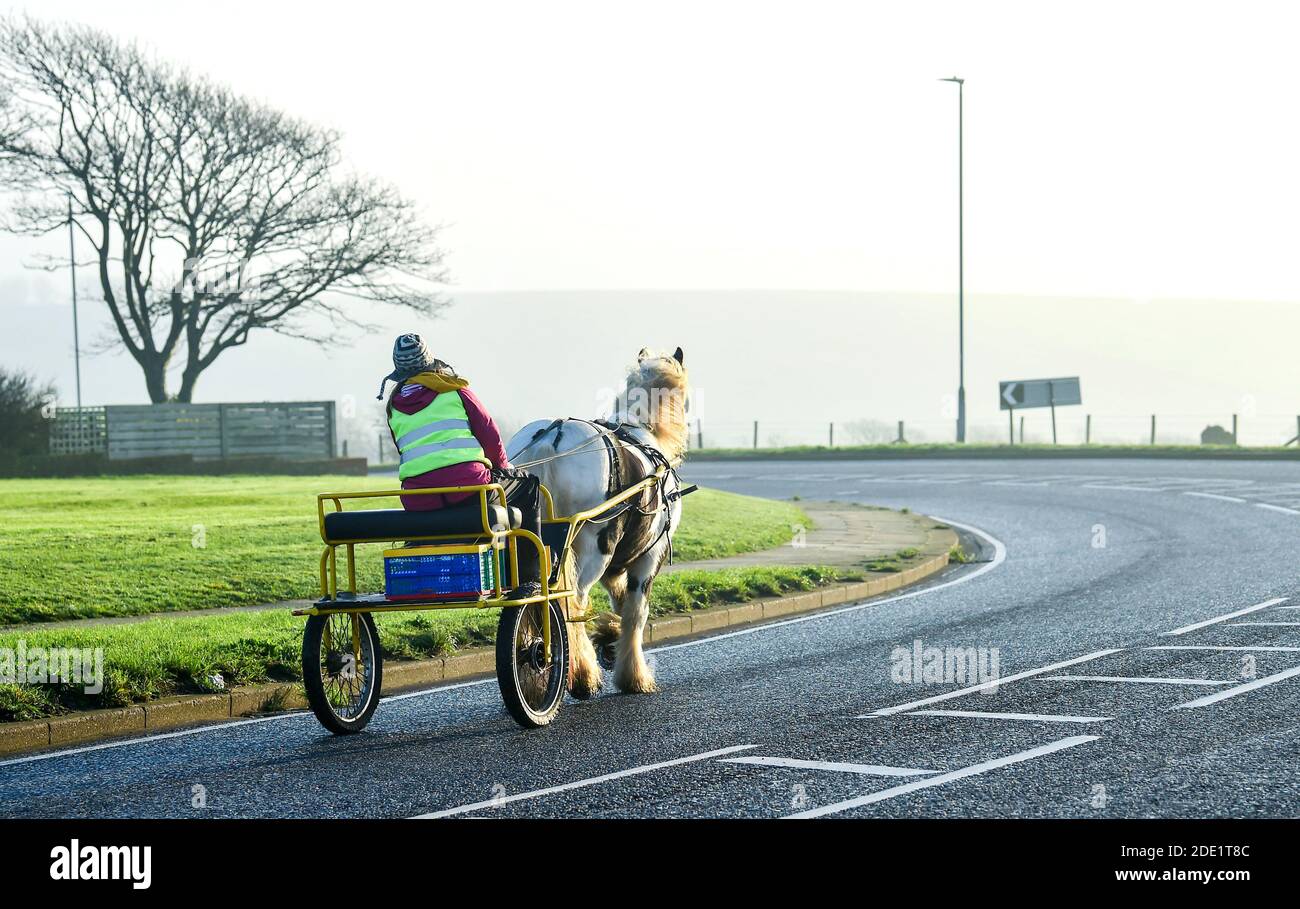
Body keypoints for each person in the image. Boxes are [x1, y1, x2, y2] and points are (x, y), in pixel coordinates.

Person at [378, 333, 544, 598]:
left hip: (419, 500)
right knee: (529, 487)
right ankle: (531, 577)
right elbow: (488, 431)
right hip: (469, 491)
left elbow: (405, 449)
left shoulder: (393, 405)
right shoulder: (454, 390)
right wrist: (502, 466)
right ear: (431, 362)